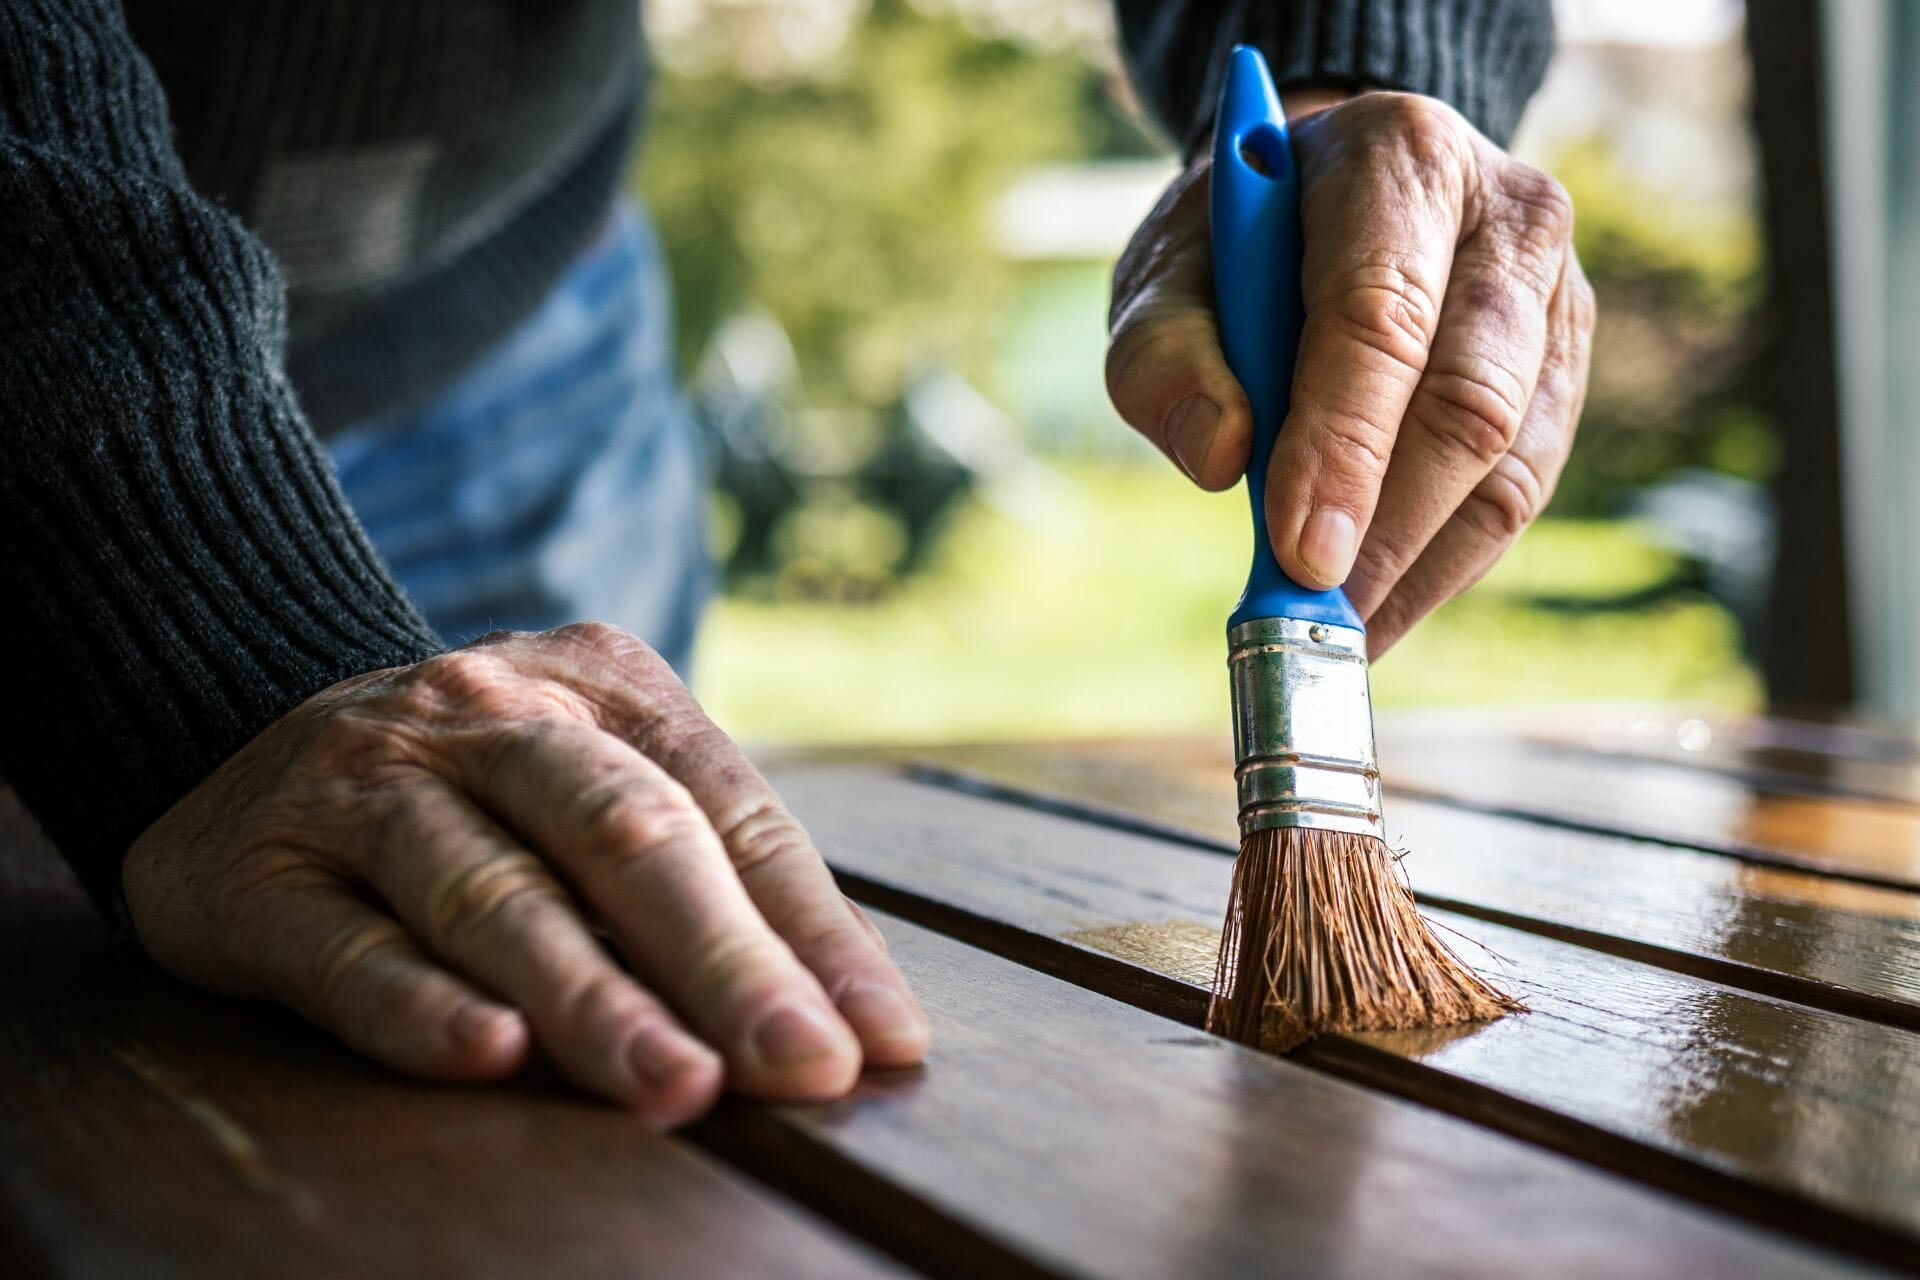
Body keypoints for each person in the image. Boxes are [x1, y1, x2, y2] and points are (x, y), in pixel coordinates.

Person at [0, 0, 1586, 1129]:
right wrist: (183, 595)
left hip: (495, 301)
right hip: (40, 321)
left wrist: (1361, 59)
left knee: (563, 1055)